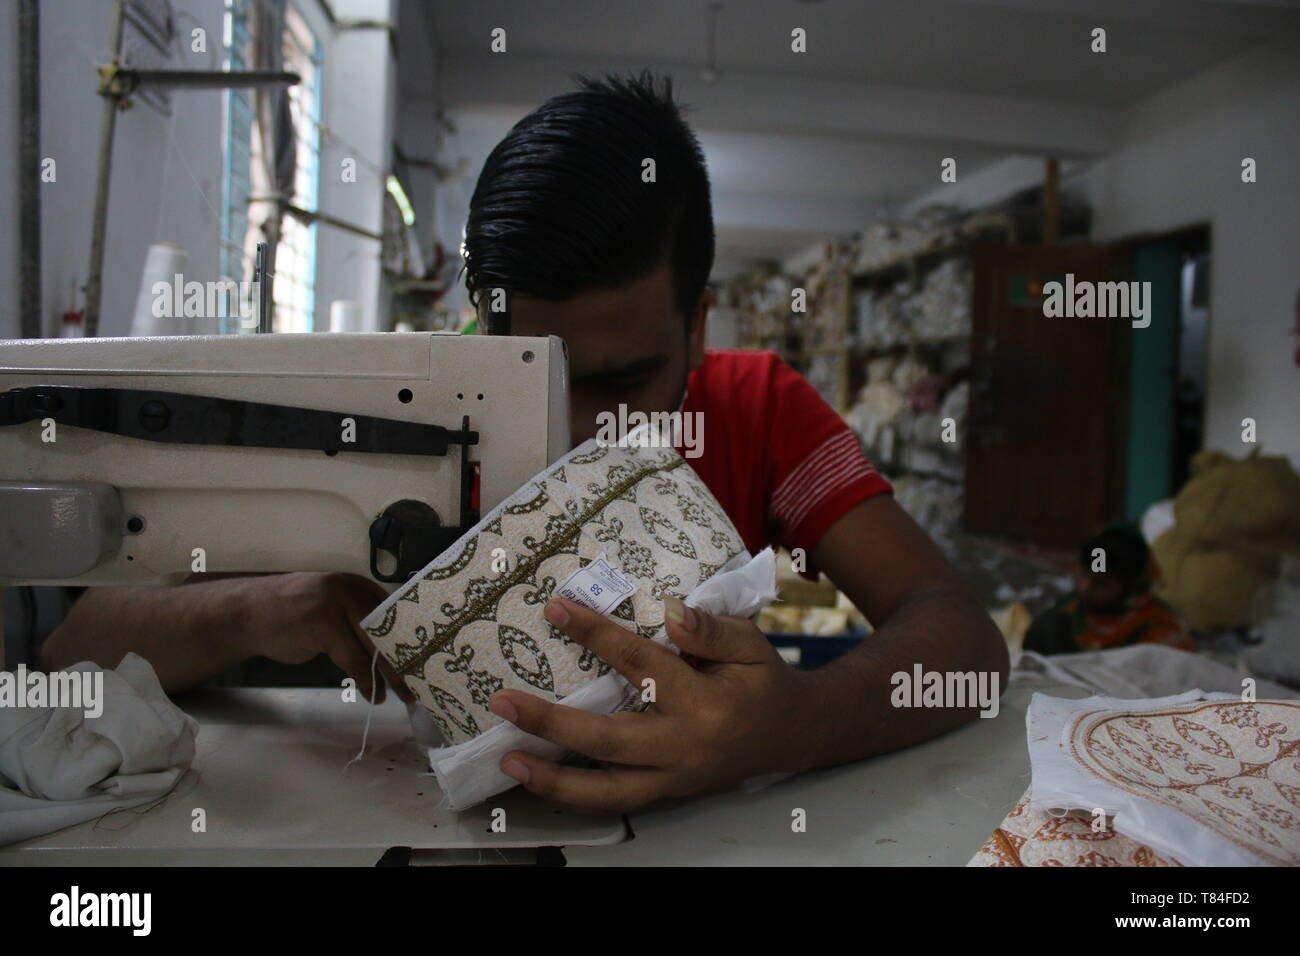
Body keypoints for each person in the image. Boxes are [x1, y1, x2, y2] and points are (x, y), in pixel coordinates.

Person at [43, 72, 1007, 813]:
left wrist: (792, 724)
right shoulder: (391, 412)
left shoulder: (756, 405)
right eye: (522, 370)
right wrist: (267, 606)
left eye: (620, 383)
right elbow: (71, 652)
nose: (572, 427)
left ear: (699, 327)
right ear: (480, 320)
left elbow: (960, 636)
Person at [1024, 524, 1190, 656]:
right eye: (1084, 576)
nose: (1086, 589)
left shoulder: (1160, 629)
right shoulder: (1068, 612)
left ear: (1131, 589)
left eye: (1102, 585)